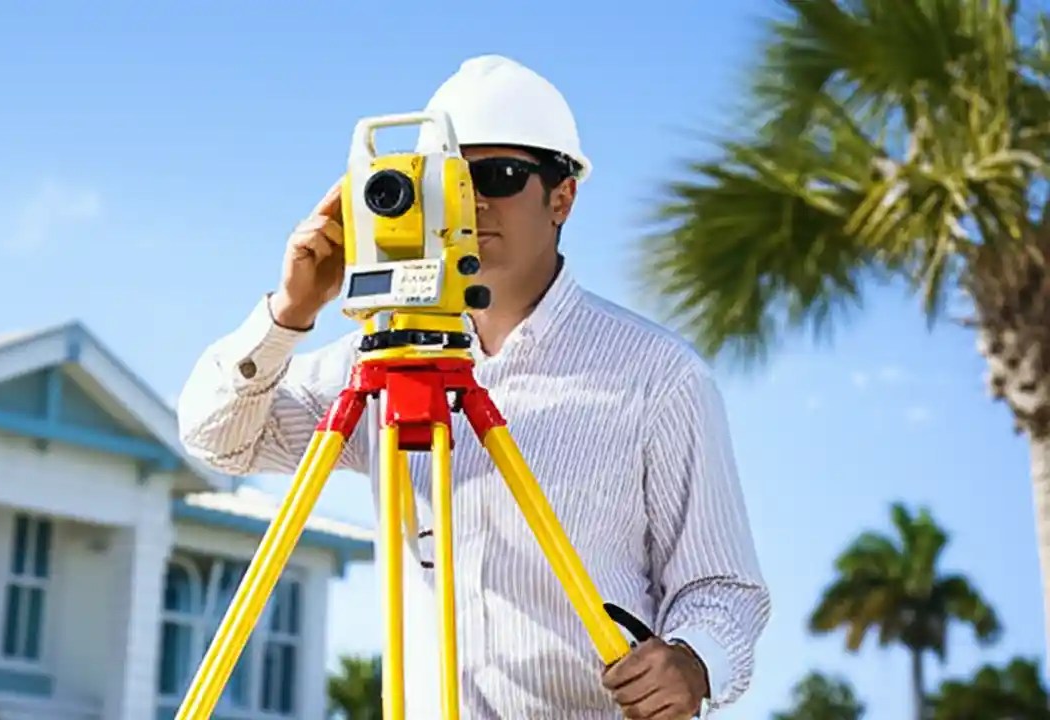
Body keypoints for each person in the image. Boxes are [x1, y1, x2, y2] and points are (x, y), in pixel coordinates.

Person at [177, 54, 770, 719]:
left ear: (562, 196)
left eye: (499, 176)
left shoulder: (658, 377)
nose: (472, 201)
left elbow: (724, 586)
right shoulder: (375, 361)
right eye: (452, 180)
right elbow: (215, 438)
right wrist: (288, 314)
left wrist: (693, 661)